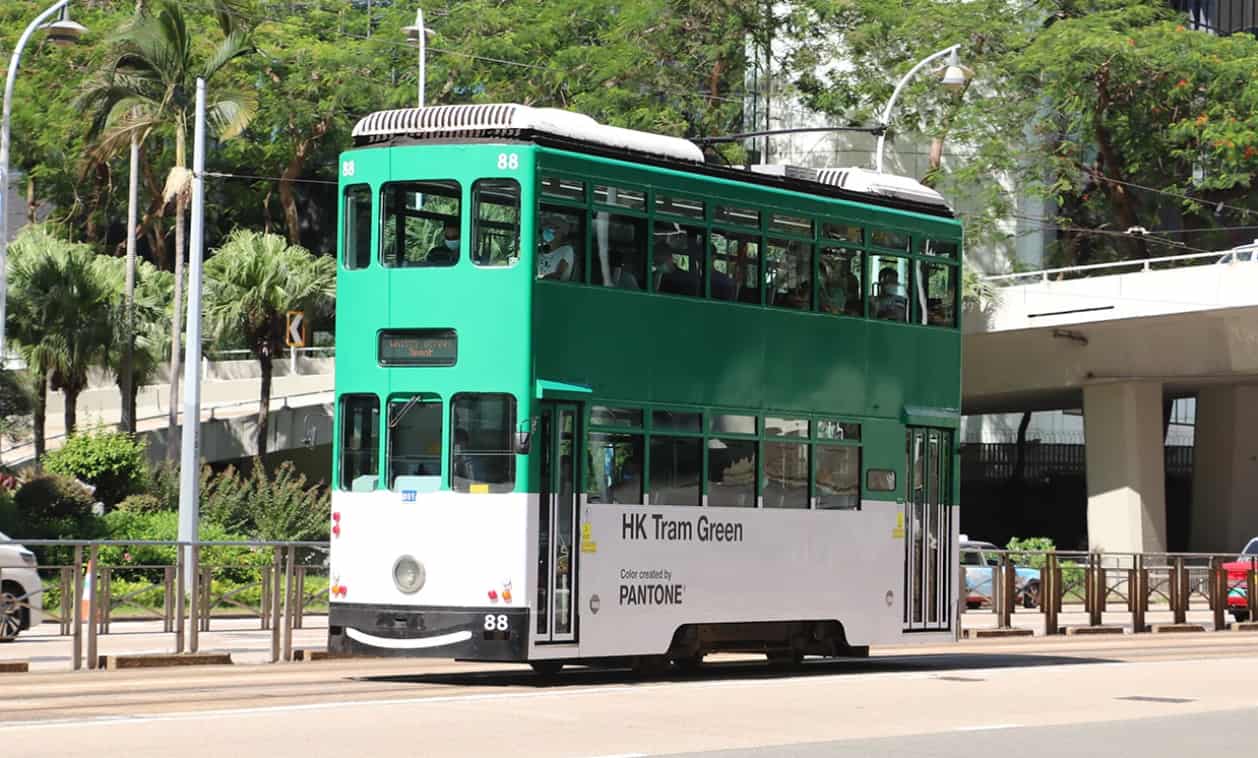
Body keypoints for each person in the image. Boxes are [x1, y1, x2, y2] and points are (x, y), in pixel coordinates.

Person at [537, 215, 576, 281]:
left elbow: (558, 275)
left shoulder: (566, 250)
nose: (546, 230)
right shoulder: (538, 251)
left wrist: (539, 280)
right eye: (545, 228)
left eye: (551, 228)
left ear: (561, 233)